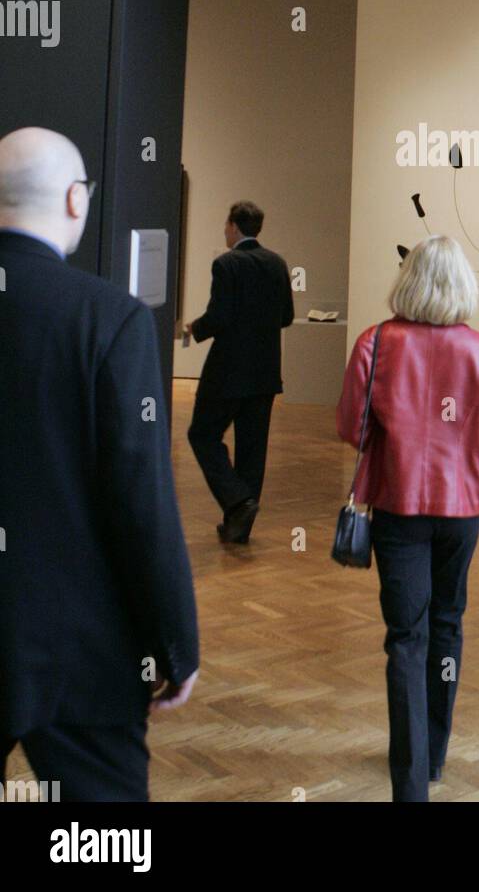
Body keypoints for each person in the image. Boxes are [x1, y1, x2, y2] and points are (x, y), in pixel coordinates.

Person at [0, 127, 199, 801]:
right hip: (78, 649)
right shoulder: (109, 319)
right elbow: (140, 500)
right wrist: (176, 643)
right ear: (75, 200)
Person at [336, 235, 479, 802]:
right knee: (448, 623)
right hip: (462, 509)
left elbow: (351, 428)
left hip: (397, 505)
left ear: (408, 280)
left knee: (406, 638)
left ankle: (410, 780)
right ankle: (436, 752)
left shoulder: (377, 342)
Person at [186, 200, 294, 543]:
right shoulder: (277, 264)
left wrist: (194, 328)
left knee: (202, 435)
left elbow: (219, 317)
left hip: (227, 371)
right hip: (264, 373)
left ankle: (237, 500)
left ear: (234, 226)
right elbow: (287, 317)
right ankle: (239, 525)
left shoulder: (226, 264)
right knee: (253, 449)